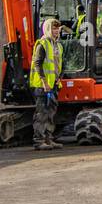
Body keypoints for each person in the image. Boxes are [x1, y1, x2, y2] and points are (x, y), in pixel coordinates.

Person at [30, 18, 64, 150]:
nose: (56, 31)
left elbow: (60, 65)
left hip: (53, 85)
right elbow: (37, 64)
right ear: (48, 29)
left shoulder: (58, 45)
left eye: (58, 28)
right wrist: (44, 82)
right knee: (41, 113)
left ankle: (49, 139)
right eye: (54, 28)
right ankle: (39, 141)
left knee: (51, 113)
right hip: (42, 86)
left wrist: (59, 78)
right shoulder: (42, 44)